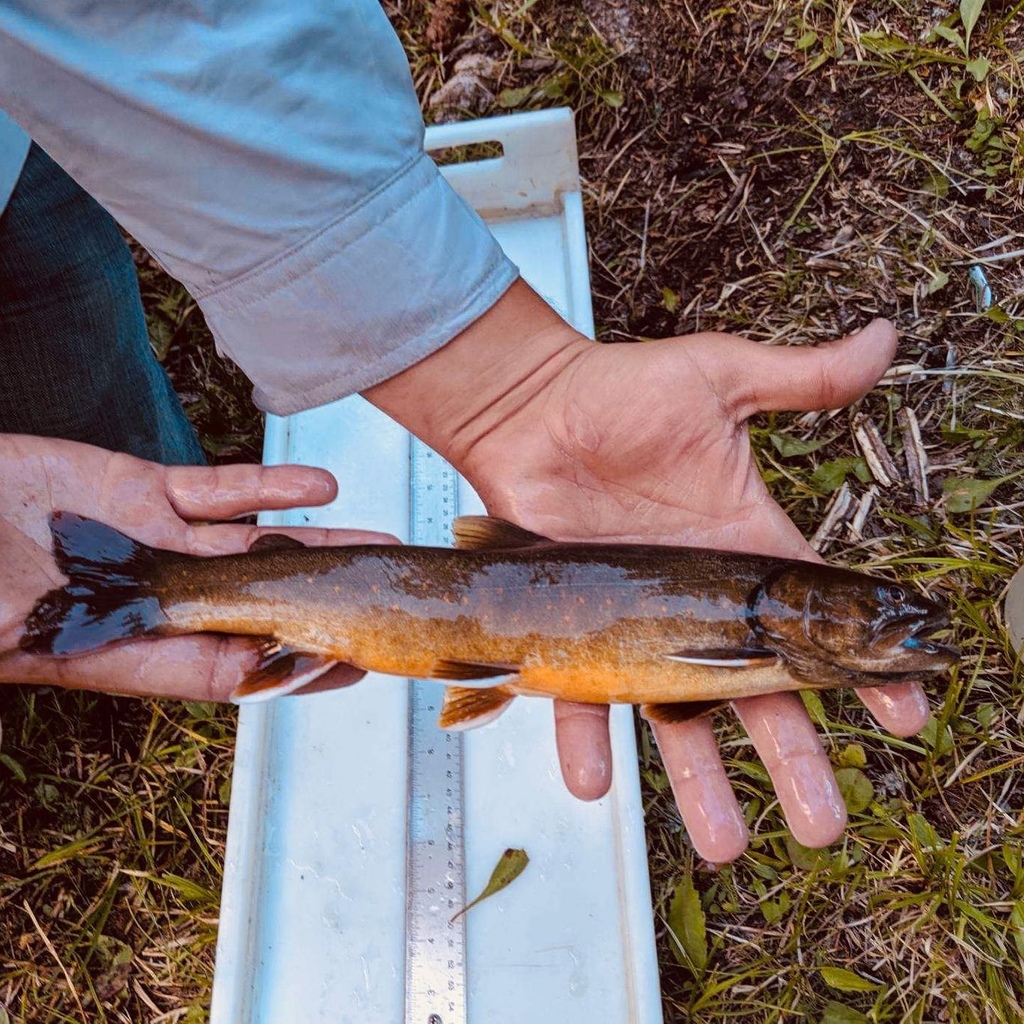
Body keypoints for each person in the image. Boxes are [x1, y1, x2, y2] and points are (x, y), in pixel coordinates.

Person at [0, 2, 930, 865]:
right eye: (883, 611)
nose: (900, 623)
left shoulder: (752, 629)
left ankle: (142, 577)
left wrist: (504, 379)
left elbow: (162, 27)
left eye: (881, 613)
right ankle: (145, 588)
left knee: (80, 368)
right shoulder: (747, 628)